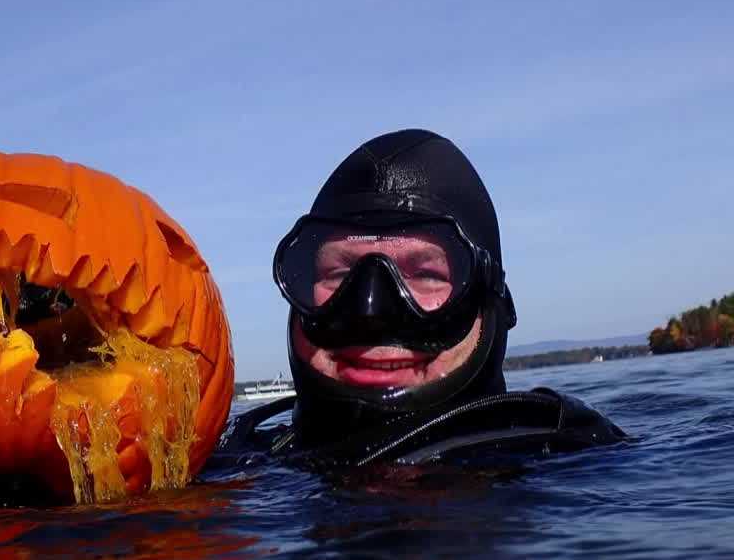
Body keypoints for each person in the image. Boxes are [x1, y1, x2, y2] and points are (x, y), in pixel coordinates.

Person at [215, 129, 624, 469]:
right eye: (339, 274)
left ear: (496, 301)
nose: (370, 309)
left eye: (426, 274)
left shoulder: (568, 453)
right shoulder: (234, 460)